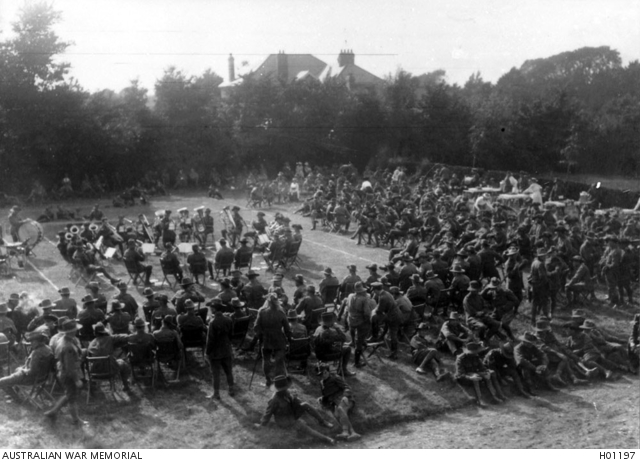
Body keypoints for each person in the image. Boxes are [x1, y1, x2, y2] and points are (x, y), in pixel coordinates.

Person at [257, 375, 335, 445]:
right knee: (307, 429)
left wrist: (296, 400)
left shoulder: (285, 393)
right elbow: (268, 413)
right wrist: (261, 424)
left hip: (291, 415)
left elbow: (295, 401)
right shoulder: (274, 400)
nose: (286, 389)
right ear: (279, 390)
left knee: (305, 405)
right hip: (284, 422)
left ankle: (322, 422)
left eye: (286, 388)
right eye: (284, 389)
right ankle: (327, 439)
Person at [44, 319, 87, 425]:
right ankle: (76, 420)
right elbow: (69, 367)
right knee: (72, 398)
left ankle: (53, 412)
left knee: (69, 394)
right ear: (73, 331)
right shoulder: (68, 346)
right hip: (68, 374)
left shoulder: (64, 340)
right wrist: (76, 379)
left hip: (63, 371)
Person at [253, 294, 291, 387]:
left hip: (266, 339)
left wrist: (260, 335)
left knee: (266, 360)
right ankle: (280, 381)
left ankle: (268, 380)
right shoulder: (281, 312)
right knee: (279, 361)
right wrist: (289, 339)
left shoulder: (262, 311)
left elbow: (256, 327)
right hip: (279, 339)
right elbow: (287, 328)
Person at [0, 330, 53, 396]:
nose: (31, 343)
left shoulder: (37, 353)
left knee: (2, 381)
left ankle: (17, 399)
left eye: (32, 342)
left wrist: (22, 370)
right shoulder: (48, 349)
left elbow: (32, 371)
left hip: (30, 379)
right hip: (42, 378)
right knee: (16, 370)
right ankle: (16, 393)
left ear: (37, 342)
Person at [317, 362, 360, 441]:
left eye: (325, 373)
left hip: (345, 399)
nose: (323, 375)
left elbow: (347, 387)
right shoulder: (322, 383)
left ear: (328, 372)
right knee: (337, 413)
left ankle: (350, 432)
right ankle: (350, 433)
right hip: (335, 402)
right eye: (321, 374)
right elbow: (326, 394)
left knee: (341, 409)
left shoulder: (335, 377)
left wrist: (345, 396)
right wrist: (322, 398)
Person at [455, 341, 507, 406]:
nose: (475, 354)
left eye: (476, 352)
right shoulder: (460, 359)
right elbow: (460, 375)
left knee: (491, 373)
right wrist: (471, 377)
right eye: (474, 352)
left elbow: (482, 367)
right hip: (464, 378)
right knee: (475, 377)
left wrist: (487, 372)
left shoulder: (476, 356)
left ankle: (495, 396)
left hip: (474, 374)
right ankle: (479, 400)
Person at [87, 322, 132, 393]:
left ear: (95, 333)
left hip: (95, 372)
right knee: (123, 363)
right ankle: (126, 386)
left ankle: (93, 386)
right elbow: (125, 337)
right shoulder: (110, 339)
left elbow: (89, 359)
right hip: (110, 370)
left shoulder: (91, 344)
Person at [205, 302, 235, 400]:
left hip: (215, 352)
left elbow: (210, 339)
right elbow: (231, 334)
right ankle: (231, 389)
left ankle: (216, 393)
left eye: (211, 308)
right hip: (226, 349)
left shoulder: (213, 322)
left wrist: (207, 352)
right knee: (228, 371)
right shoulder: (228, 320)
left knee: (216, 373)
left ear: (214, 309)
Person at [313, 312, 354, 377]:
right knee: (347, 349)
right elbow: (343, 338)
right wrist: (337, 328)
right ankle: (343, 370)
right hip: (327, 355)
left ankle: (321, 366)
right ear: (330, 322)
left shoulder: (318, 329)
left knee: (336, 346)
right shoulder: (330, 332)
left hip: (319, 355)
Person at [346, 282, 372, 369]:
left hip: (351, 320)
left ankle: (353, 341)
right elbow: (367, 313)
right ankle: (357, 362)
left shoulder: (350, 296)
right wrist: (367, 321)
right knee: (360, 340)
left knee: (353, 330)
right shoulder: (364, 299)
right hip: (360, 321)